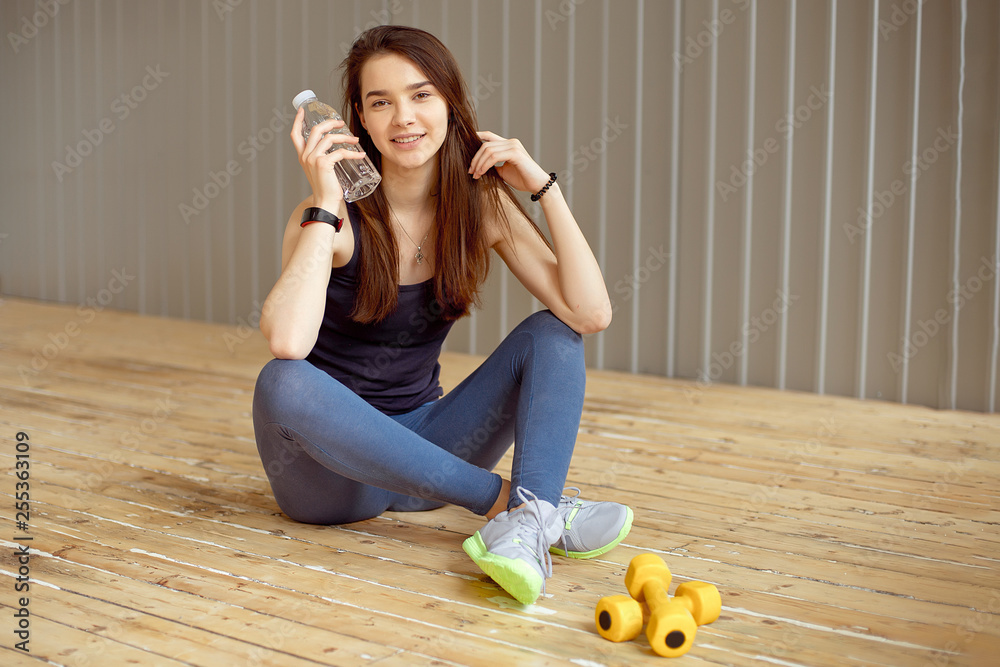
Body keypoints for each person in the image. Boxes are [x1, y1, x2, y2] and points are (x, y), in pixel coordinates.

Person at [252, 25, 632, 606]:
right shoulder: (328, 218)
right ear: (357, 118)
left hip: (432, 451)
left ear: (450, 102)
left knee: (554, 334)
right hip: (334, 479)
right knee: (282, 380)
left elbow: (589, 313)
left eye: (421, 95)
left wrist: (544, 188)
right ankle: (522, 508)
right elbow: (286, 340)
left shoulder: (477, 203)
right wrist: (327, 202)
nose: (404, 117)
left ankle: (524, 525)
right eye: (381, 102)